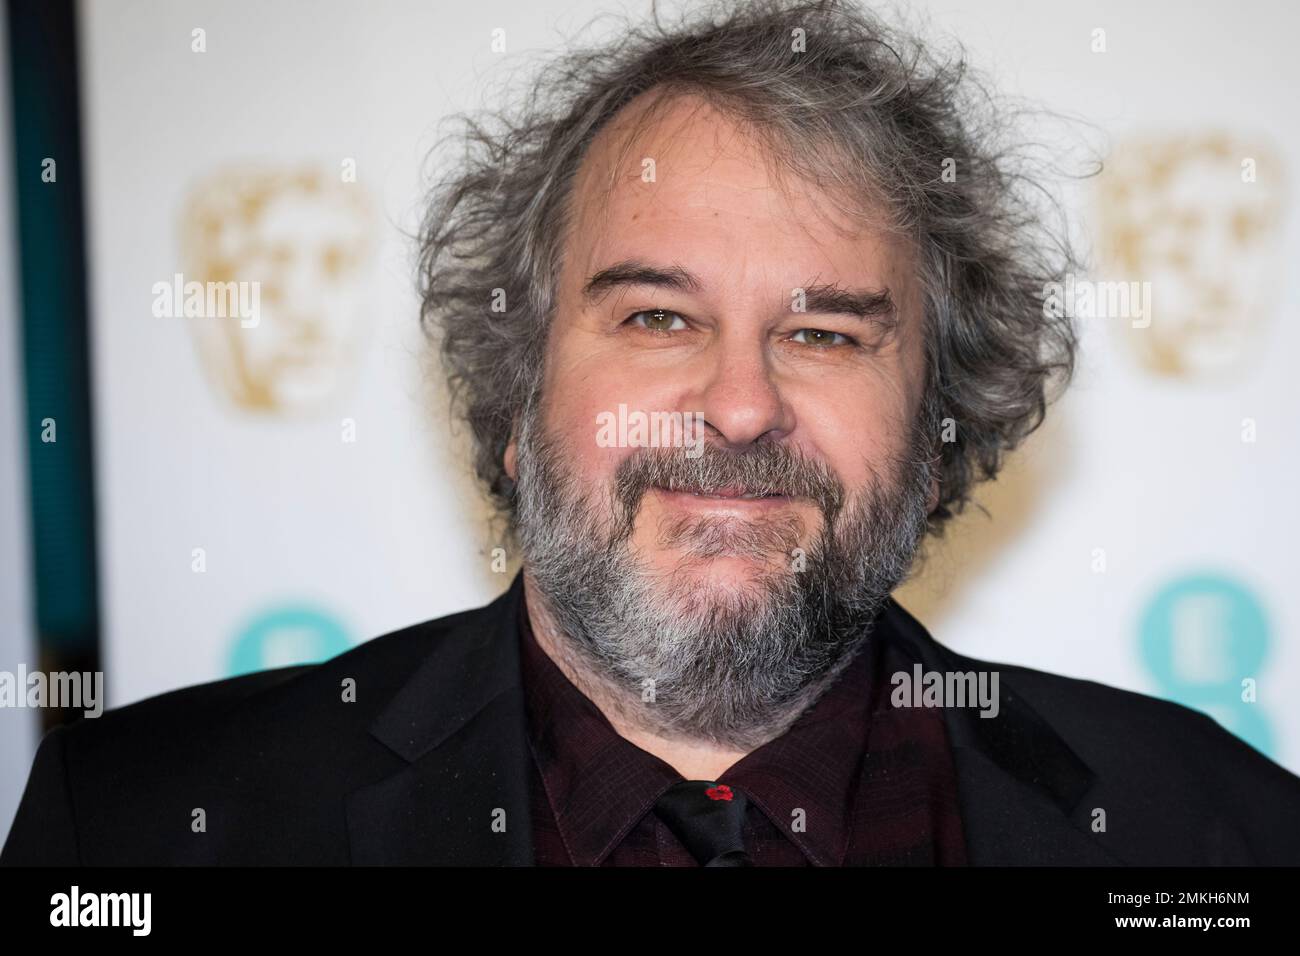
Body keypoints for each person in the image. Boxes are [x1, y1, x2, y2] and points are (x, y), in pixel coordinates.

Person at [4, 0, 1298, 867]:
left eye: (827, 334)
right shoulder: (140, 829)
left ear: (939, 426)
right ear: (513, 400)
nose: (740, 407)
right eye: (658, 317)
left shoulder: (1216, 837)